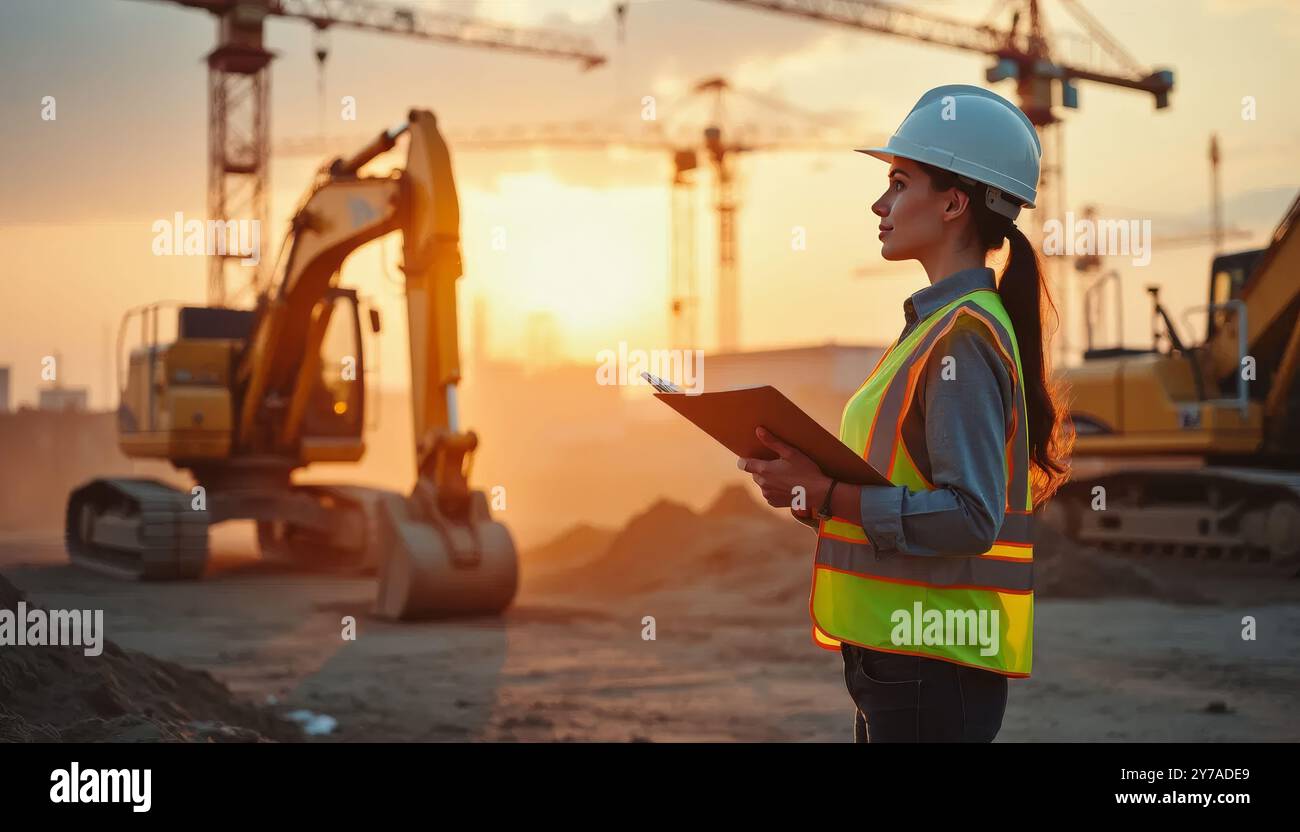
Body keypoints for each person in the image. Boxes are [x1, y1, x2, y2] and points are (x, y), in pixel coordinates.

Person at [738, 85, 1073, 742]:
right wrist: (811, 491)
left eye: (898, 182)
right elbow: (904, 488)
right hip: (905, 661)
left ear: (953, 202)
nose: (879, 203)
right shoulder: (934, 330)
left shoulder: (962, 340)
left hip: (933, 666)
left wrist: (828, 489)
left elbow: (970, 517)